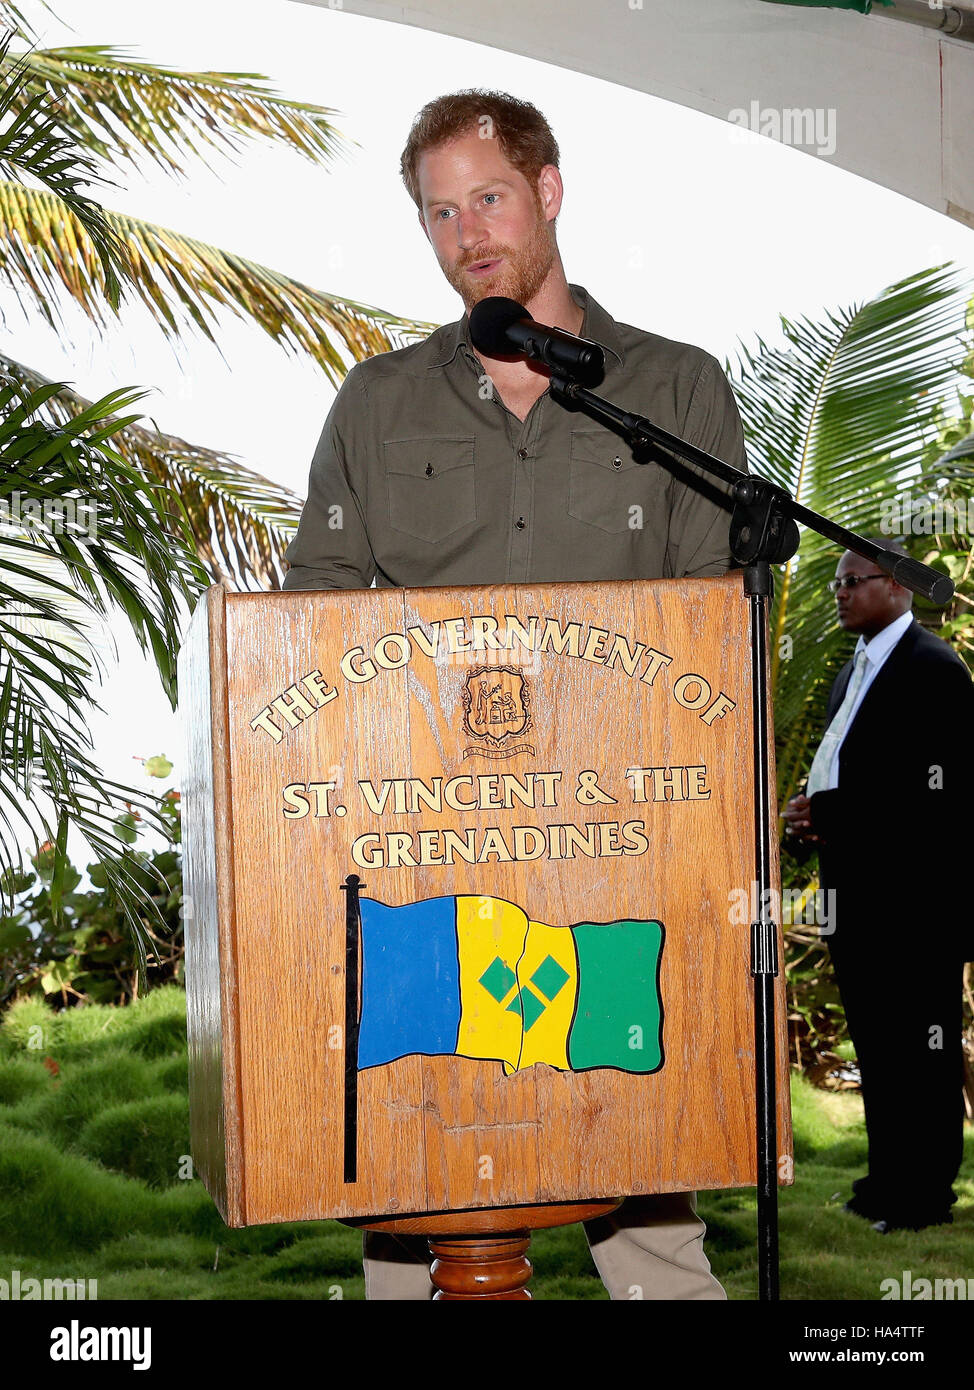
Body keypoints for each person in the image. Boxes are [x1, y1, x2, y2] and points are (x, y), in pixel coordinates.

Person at [283, 89, 748, 1298]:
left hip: (619, 852)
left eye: (486, 196)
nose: (465, 234)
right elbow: (310, 625)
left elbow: (715, 623)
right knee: (410, 1188)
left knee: (650, 1218)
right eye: (437, 213)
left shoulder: (677, 389)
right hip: (422, 861)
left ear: (547, 191)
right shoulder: (374, 405)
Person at [783, 543, 972, 1233]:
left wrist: (834, 811)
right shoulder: (851, 674)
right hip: (856, 895)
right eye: (836, 584)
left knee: (921, 1047)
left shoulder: (933, 669)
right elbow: (847, 772)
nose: (839, 594)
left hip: (916, 903)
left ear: (896, 588)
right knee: (881, 1048)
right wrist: (809, 816)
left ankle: (925, 1196)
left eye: (852, 582)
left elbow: (942, 792)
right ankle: (886, 1181)